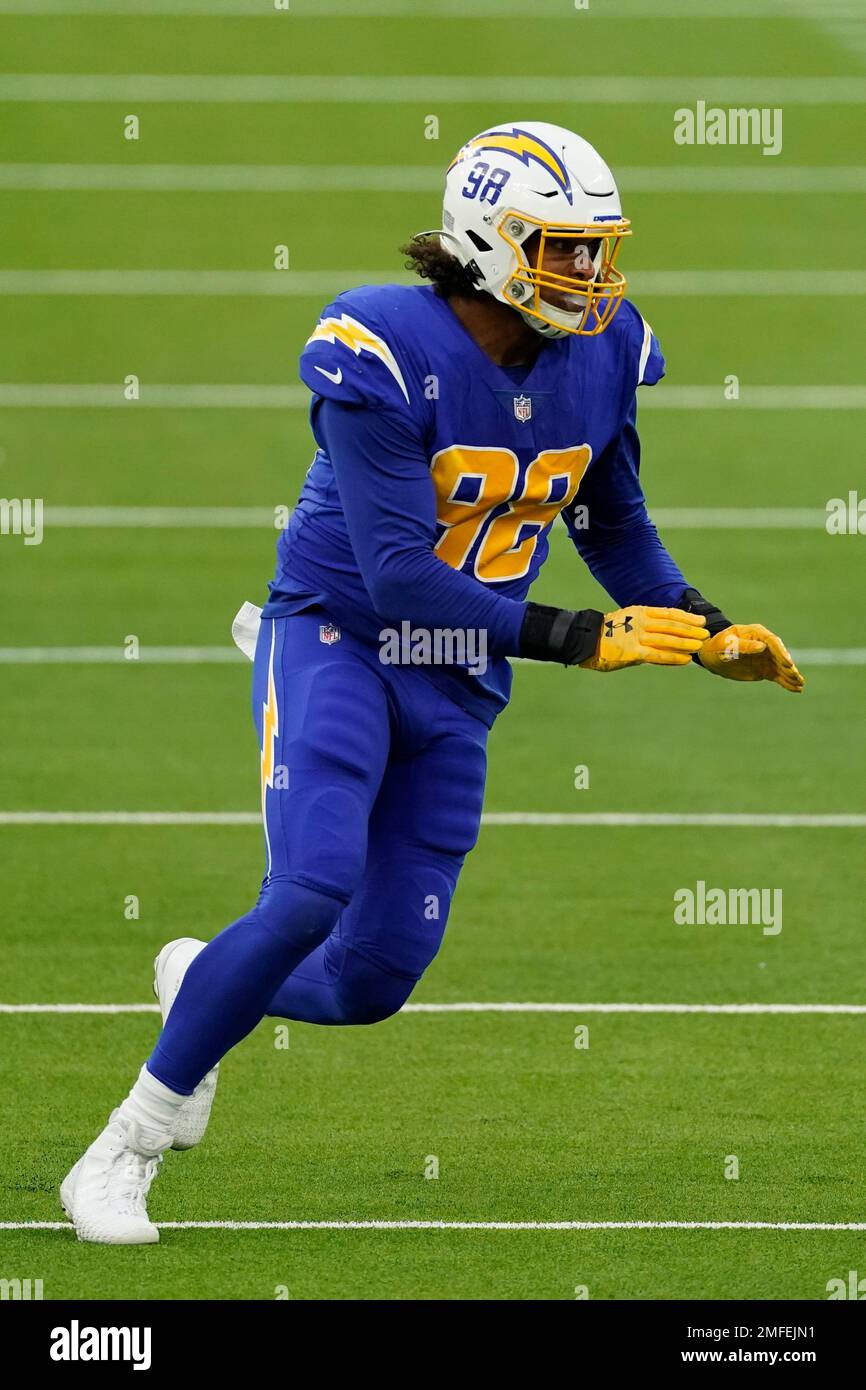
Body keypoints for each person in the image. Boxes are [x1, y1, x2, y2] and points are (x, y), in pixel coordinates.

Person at [60, 122, 803, 1244]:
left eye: (598, 251)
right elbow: (399, 575)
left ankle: (203, 978)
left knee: (370, 979)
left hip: (461, 677)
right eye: (562, 250)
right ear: (489, 241)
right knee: (309, 889)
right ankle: (125, 1148)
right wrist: (576, 637)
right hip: (340, 640)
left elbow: (611, 523)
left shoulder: (601, 353)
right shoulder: (381, 346)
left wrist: (705, 627)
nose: (590, 278)